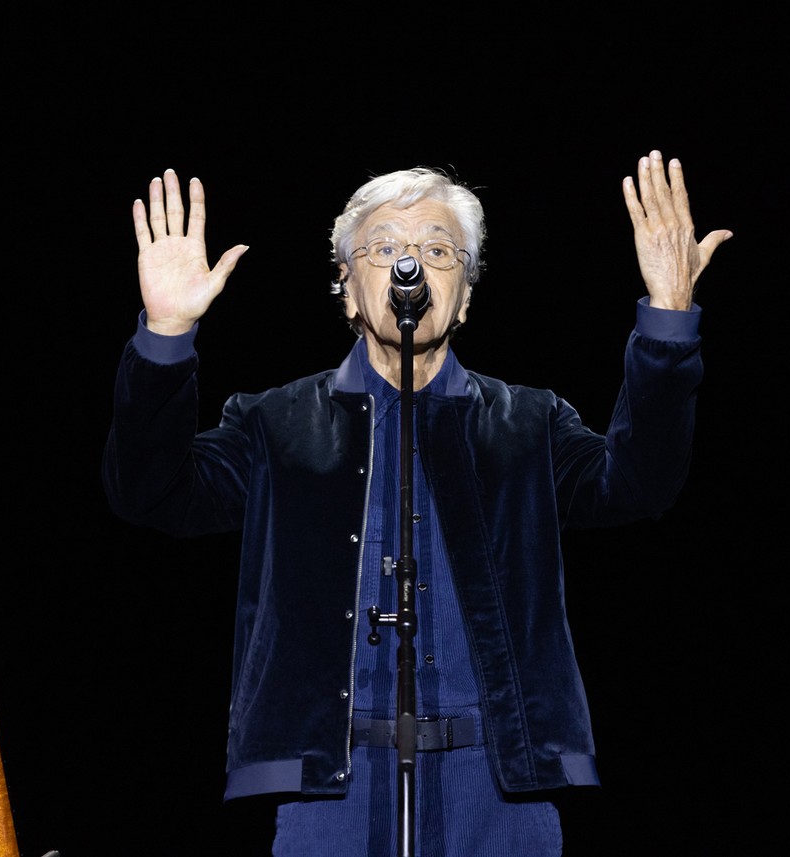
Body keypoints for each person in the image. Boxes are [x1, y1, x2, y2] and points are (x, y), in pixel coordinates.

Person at [102, 153, 731, 856]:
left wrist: (668, 325)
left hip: (497, 789)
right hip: (327, 791)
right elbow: (151, 492)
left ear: (463, 295)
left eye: (437, 249)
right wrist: (164, 337)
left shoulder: (529, 422)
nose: (412, 263)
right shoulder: (274, 423)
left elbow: (640, 483)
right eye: (385, 247)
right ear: (347, 287)